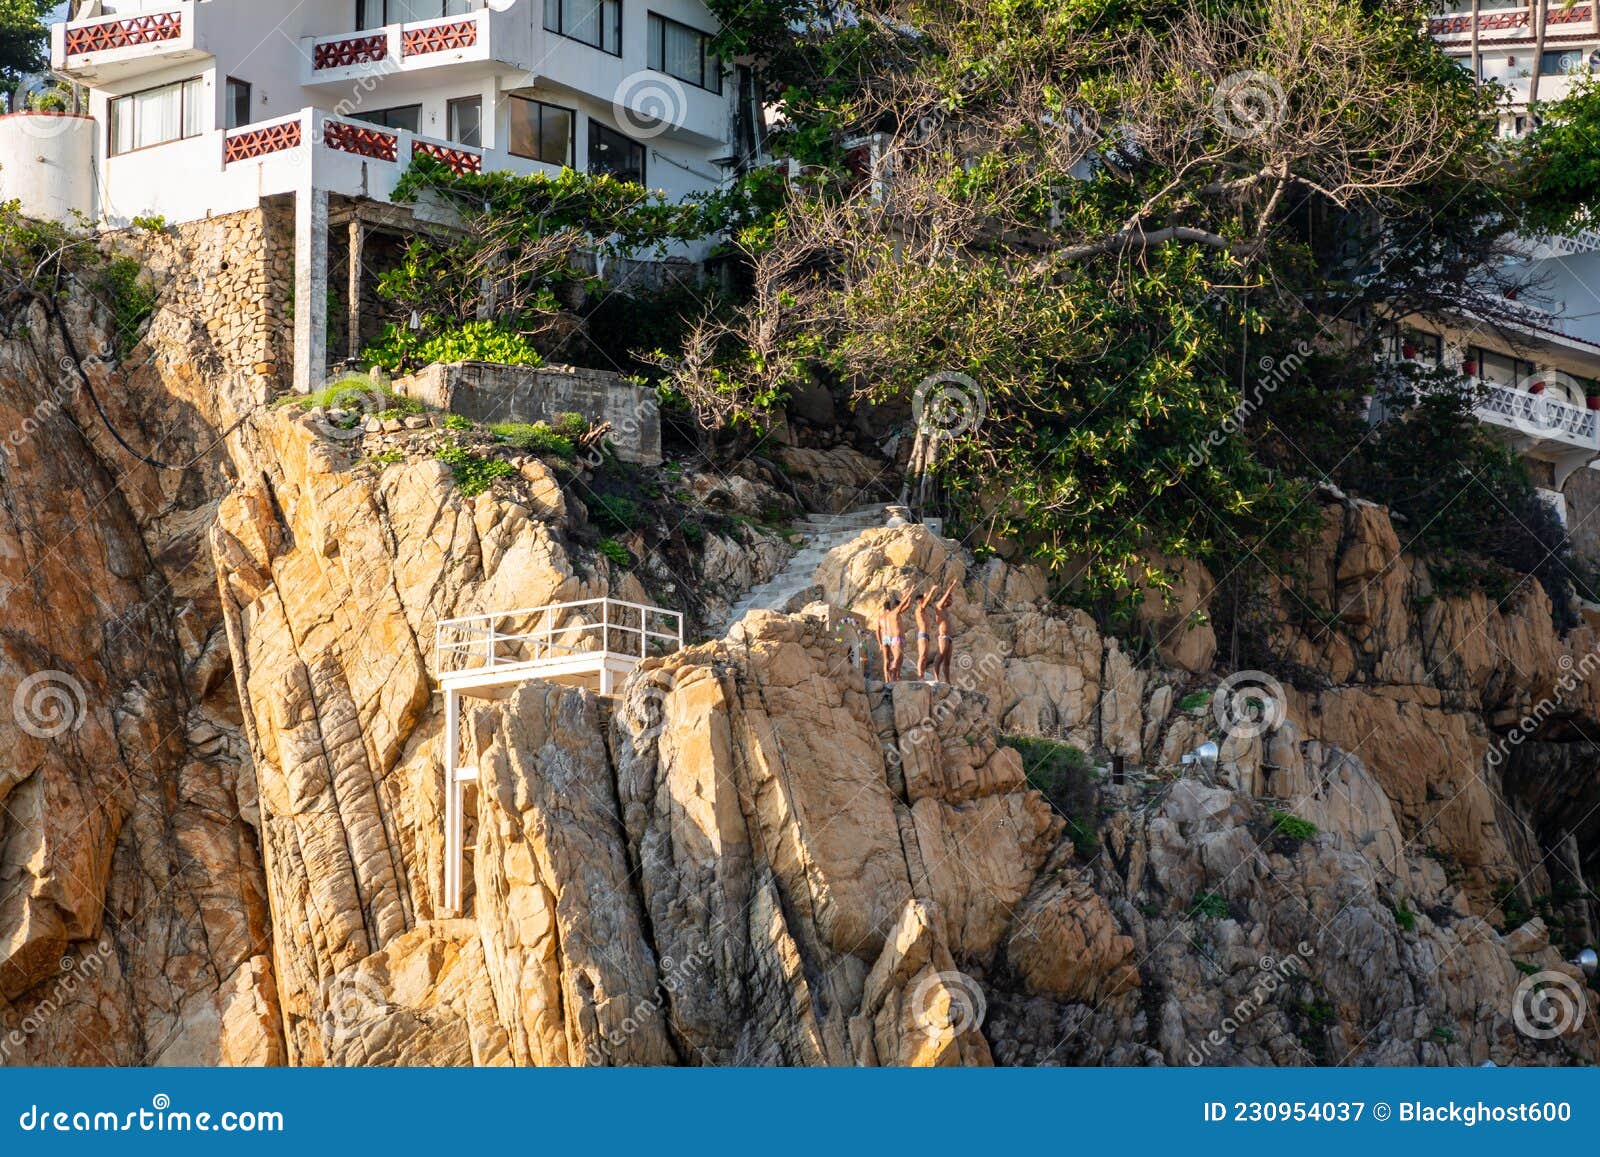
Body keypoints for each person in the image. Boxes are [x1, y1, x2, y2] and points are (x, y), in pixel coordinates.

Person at [878, 589, 913, 684]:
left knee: (899, 660)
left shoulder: (894, 614)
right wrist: (909, 593)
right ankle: (890, 675)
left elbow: (906, 605)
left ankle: (896, 678)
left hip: (896, 639)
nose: (899, 608)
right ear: (894, 607)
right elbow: (902, 605)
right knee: (896, 659)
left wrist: (908, 597)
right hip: (895, 638)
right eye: (898, 606)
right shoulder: (893, 613)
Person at [933, 578, 958, 683]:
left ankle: (948, 681)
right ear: (945, 599)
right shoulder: (938, 607)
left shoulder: (946, 611)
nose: (951, 601)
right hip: (943, 636)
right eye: (950, 599)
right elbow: (947, 594)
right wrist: (953, 585)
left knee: (947, 661)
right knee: (940, 656)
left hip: (949, 638)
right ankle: (936, 678)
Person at [913, 584, 938, 679]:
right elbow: (927, 601)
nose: (925, 601)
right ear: (920, 601)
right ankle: (919, 676)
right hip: (922, 635)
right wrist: (932, 590)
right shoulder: (919, 609)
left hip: (926, 636)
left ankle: (922, 675)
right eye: (923, 600)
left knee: (925, 657)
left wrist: (925, 595)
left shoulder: (923, 611)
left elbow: (926, 601)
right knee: (922, 655)